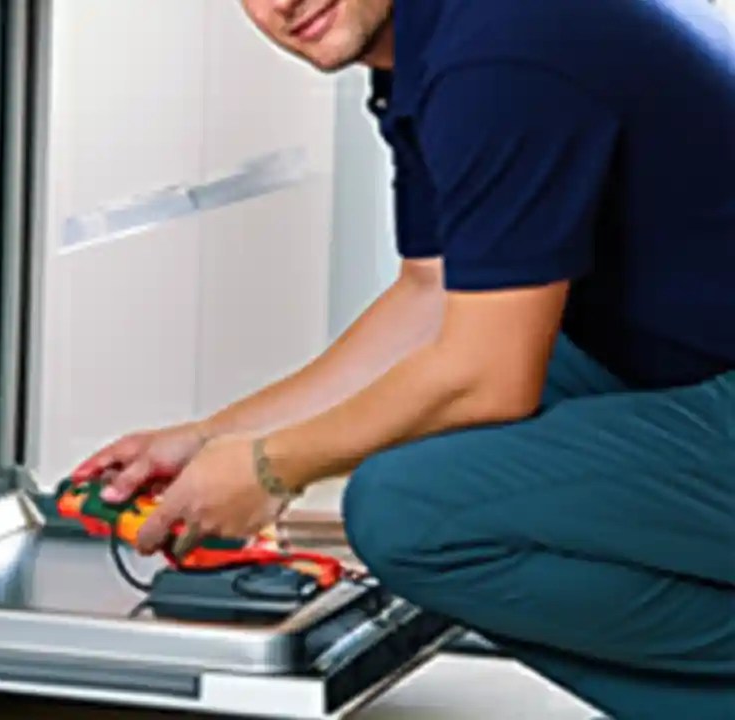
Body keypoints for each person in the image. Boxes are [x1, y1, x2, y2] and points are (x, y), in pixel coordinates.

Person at [70, 0, 735, 717]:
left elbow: (488, 378)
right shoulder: (434, 47)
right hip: (697, 364)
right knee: (461, 402)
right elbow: (431, 299)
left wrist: (272, 465)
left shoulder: (499, 54)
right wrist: (215, 439)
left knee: (405, 516)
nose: (283, 3)